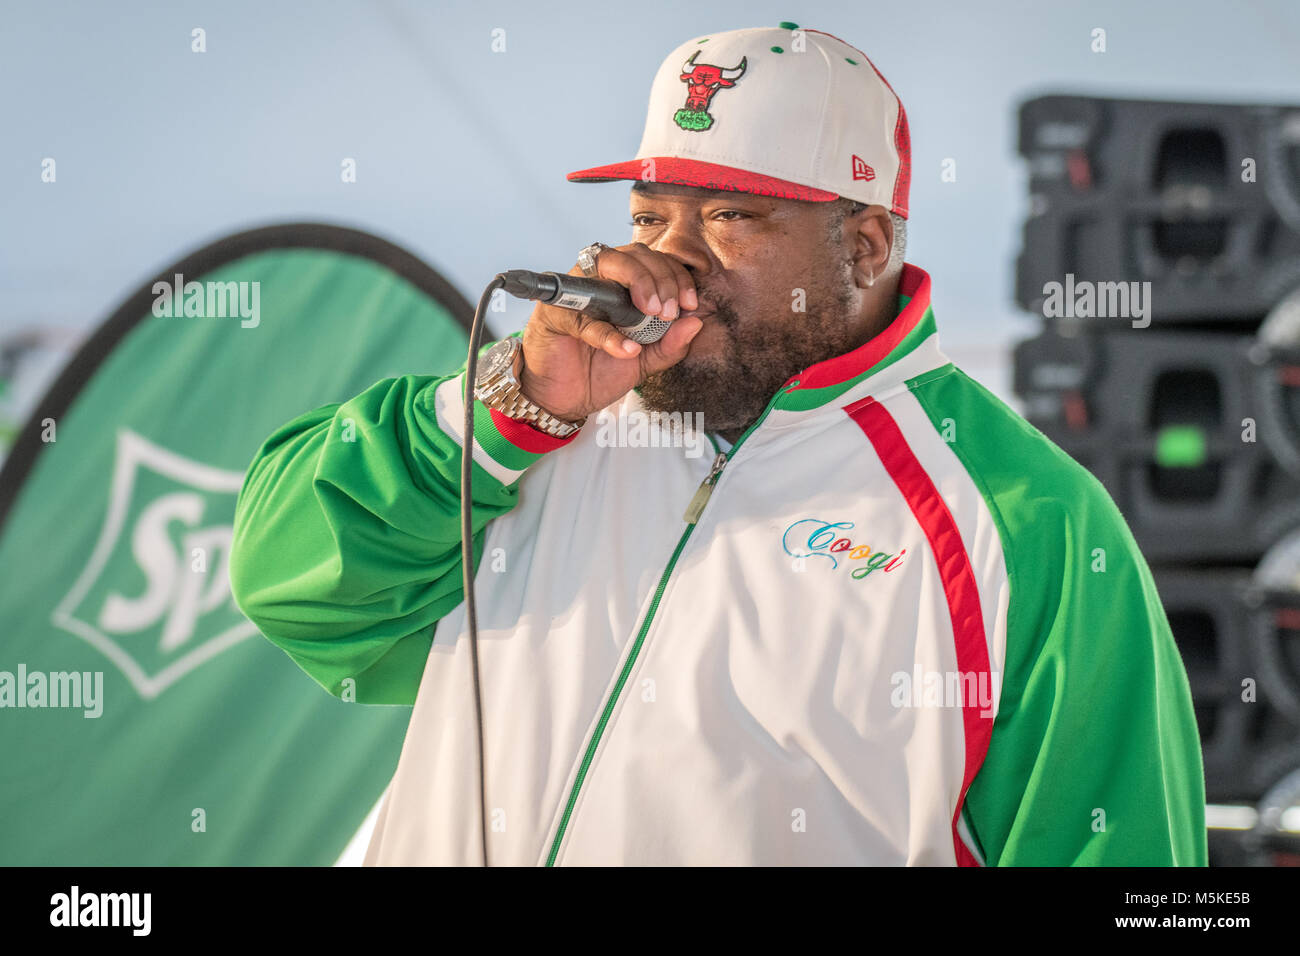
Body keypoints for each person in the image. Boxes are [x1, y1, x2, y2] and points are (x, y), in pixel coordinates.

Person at [229, 23, 1207, 866]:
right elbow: (294, 585)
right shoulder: (540, 423)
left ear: (865, 246)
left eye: (733, 216)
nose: (670, 259)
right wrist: (506, 404)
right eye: (651, 214)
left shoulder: (1022, 518)